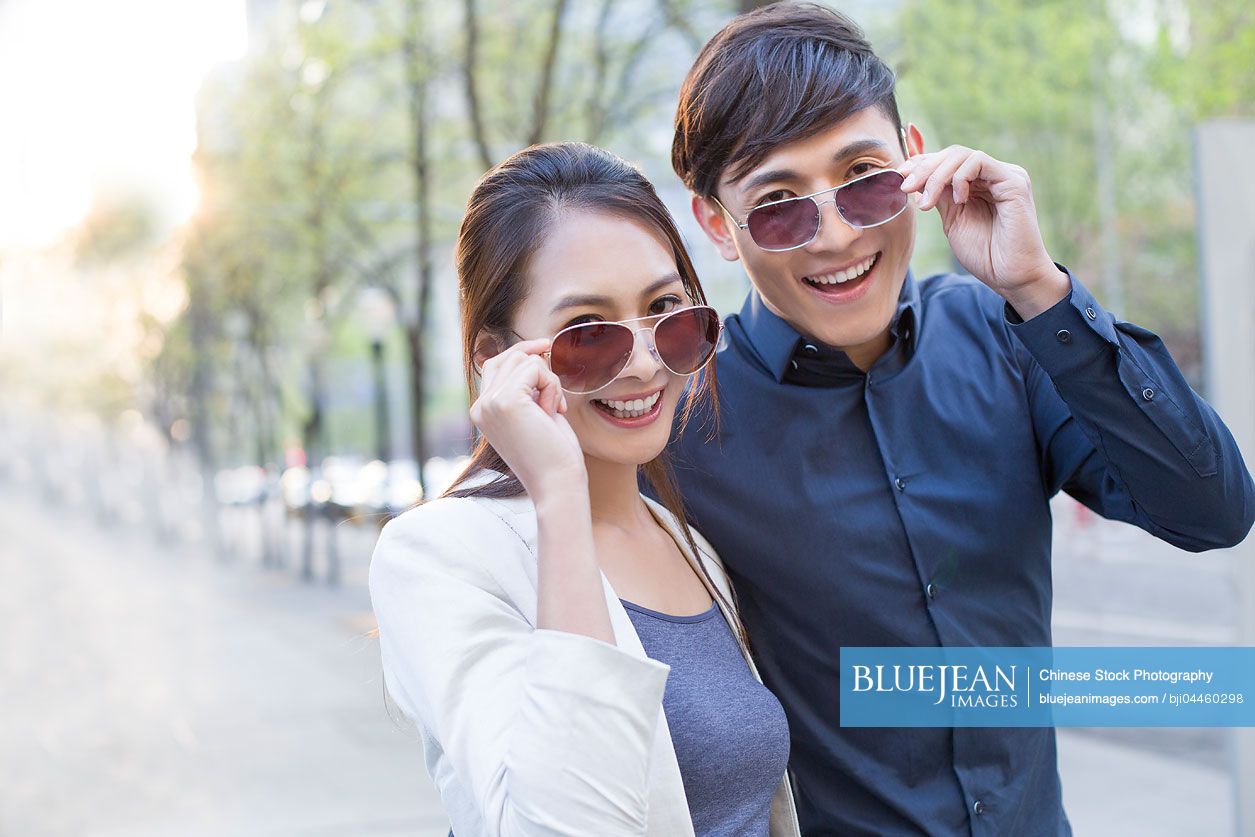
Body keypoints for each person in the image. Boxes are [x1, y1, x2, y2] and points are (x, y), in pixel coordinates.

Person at [662, 3, 1255, 835]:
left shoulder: (1011, 337)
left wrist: (1038, 288)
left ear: (915, 162)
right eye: (779, 205)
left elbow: (1213, 510)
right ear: (717, 224)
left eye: (863, 180)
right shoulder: (681, 435)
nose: (832, 236)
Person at [368, 142, 801, 837]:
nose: (642, 362)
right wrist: (559, 492)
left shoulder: (687, 543)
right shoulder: (437, 555)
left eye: (666, 310)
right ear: (494, 359)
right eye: (586, 334)